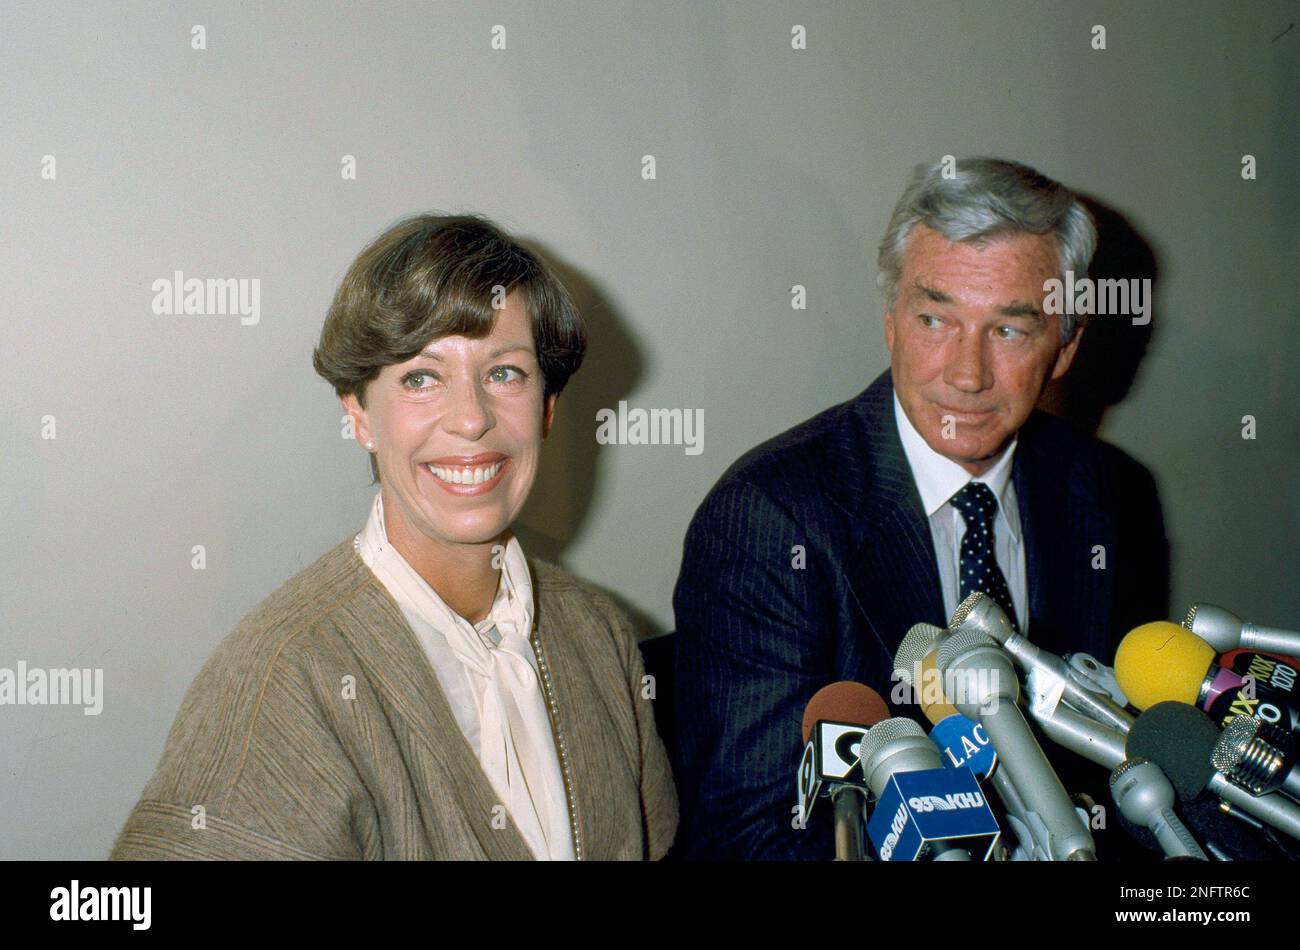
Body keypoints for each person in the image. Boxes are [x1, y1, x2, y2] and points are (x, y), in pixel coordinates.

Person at [111, 214, 677, 860]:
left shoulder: (598, 636)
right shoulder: (284, 687)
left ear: (547, 408)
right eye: (421, 377)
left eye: (505, 373)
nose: (470, 419)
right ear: (358, 414)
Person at [671, 158, 1170, 860]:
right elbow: (752, 836)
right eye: (937, 319)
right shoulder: (768, 519)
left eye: (1009, 330)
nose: (967, 375)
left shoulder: (1111, 495)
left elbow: (1130, 772)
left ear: (1065, 345)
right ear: (891, 324)